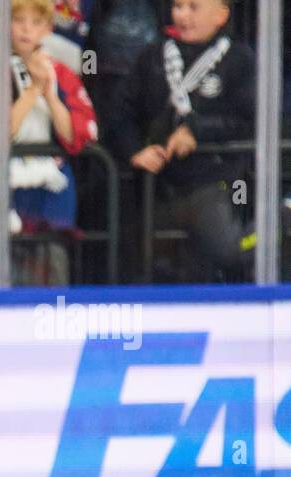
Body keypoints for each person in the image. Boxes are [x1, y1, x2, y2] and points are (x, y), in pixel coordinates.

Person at [108, 0, 254, 283]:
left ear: (221, 15)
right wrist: (135, 151)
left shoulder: (240, 60)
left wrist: (197, 131)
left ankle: (273, 228)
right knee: (136, 258)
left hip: (214, 182)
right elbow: (120, 115)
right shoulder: (151, 56)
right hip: (157, 186)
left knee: (228, 250)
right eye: (178, 6)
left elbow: (252, 121)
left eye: (193, 7)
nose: (182, 15)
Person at [0, 0, 97, 285]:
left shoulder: (64, 75)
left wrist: (50, 94)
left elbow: (77, 137)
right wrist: (31, 91)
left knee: (51, 273)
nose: (26, 30)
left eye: (35, 23)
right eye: (19, 20)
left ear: (47, 29)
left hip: (50, 196)